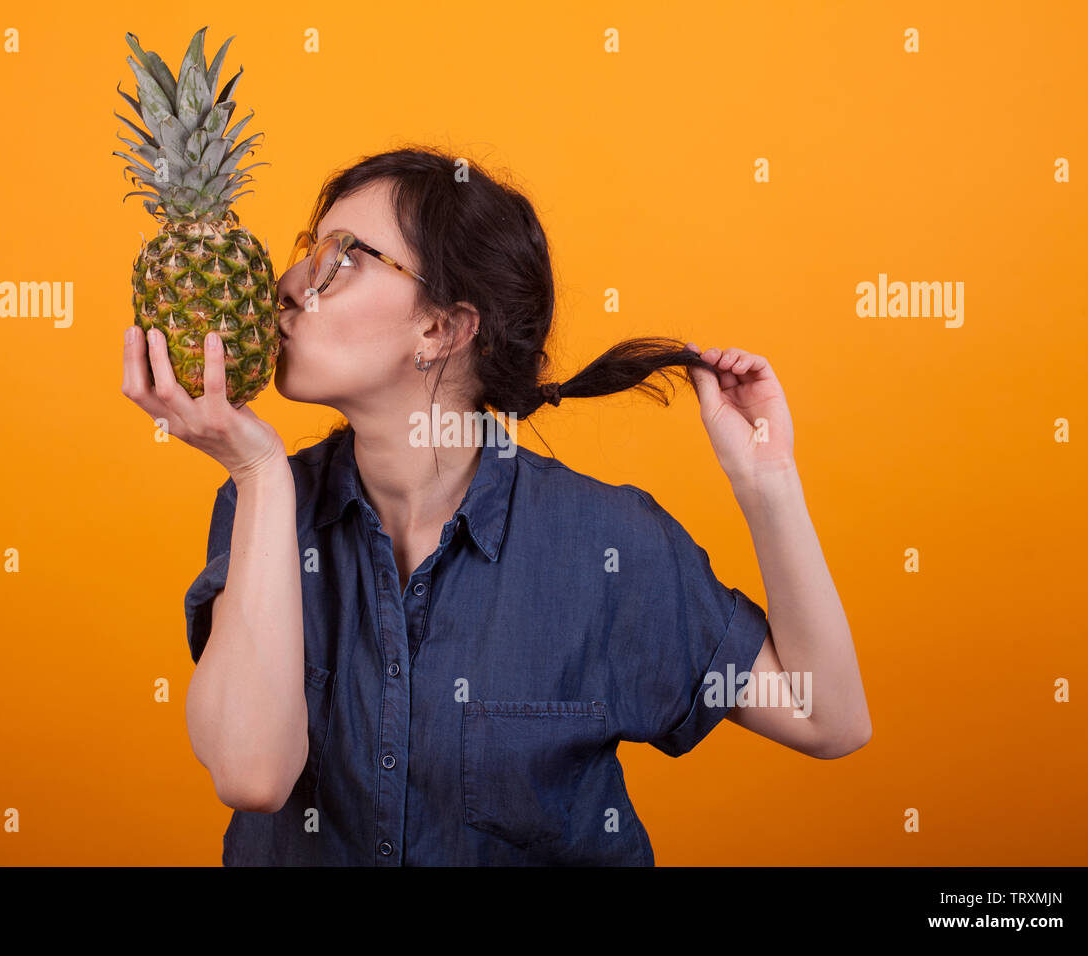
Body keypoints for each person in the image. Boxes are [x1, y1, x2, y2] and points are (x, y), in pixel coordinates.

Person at [120, 146, 871, 866]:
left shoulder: (605, 545)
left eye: (340, 257)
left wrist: (768, 482)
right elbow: (251, 776)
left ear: (442, 328)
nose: (287, 282)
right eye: (305, 250)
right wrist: (258, 471)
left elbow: (829, 718)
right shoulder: (263, 509)